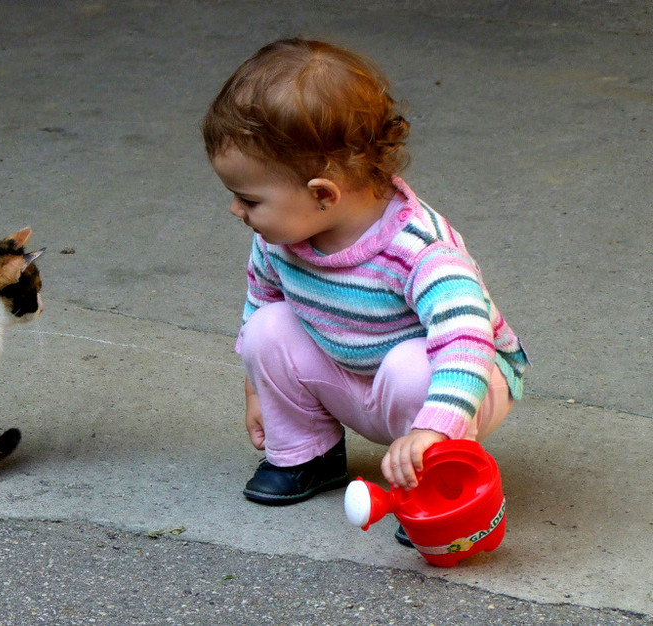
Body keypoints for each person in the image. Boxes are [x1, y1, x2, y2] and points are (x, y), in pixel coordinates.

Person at [201, 38, 528, 527]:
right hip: (353, 370)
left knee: (410, 365)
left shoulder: (419, 249)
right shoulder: (280, 237)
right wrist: (257, 392)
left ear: (323, 195)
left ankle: (436, 480)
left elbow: (466, 343)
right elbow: (260, 302)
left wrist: (435, 430)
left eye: (248, 199)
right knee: (266, 327)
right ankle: (309, 453)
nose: (236, 211)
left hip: (458, 383)